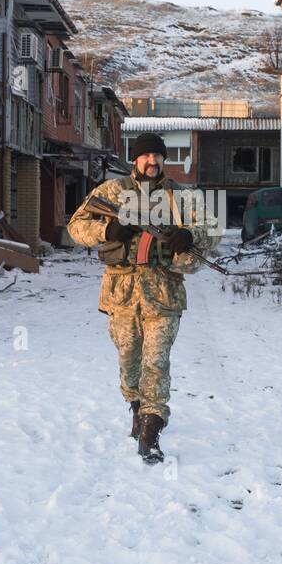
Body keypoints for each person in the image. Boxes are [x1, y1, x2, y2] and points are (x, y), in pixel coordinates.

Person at [66, 132, 217, 463]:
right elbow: (75, 226)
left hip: (164, 295)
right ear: (135, 159)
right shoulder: (112, 192)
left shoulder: (182, 196)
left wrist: (190, 234)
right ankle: (136, 406)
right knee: (128, 363)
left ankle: (151, 430)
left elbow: (211, 230)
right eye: (146, 156)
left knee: (156, 363)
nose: (152, 161)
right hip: (121, 295)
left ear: (164, 160)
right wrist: (107, 231)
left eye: (158, 156)